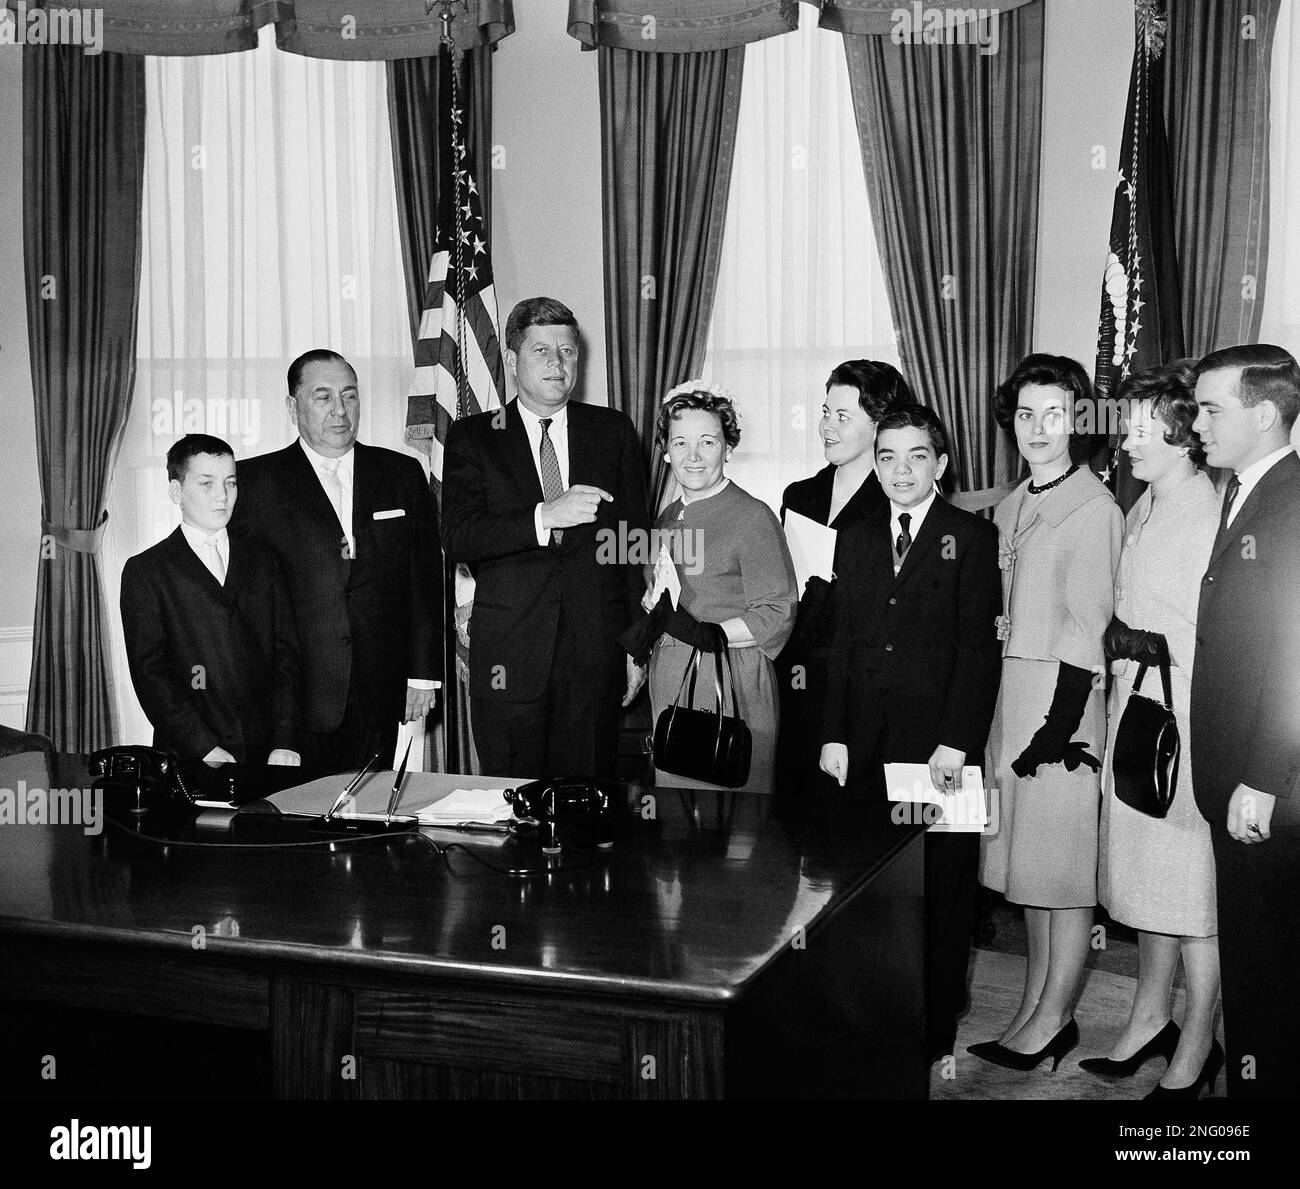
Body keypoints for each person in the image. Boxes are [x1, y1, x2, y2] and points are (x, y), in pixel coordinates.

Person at [819, 405, 1002, 1062]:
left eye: (916, 456)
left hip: (940, 751)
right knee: (874, 888)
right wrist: (834, 733)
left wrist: (956, 743)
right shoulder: (857, 537)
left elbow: (979, 652)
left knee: (944, 890)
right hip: (865, 745)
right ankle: (878, 1010)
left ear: (941, 464)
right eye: (888, 456)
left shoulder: (970, 539)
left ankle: (937, 1026)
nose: (901, 470)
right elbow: (840, 644)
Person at [971, 354, 1123, 1072]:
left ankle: (1056, 1016)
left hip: (1061, 711)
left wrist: (1054, 731)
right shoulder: (1011, 503)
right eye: (1025, 414)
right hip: (1013, 700)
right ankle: (1033, 1004)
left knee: (1061, 875)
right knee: (1027, 871)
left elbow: (1088, 626)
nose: (1037, 427)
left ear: (1080, 420)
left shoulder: (1096, 508)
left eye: (1054, 413)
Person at [441, 298, 649, 780]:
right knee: (514, 815)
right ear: (512, 361)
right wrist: (543, 516)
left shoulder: (612, 431)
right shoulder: (475, 437)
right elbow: (459, 536)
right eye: (541, 351)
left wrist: (636, 647)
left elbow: (632, 544)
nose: (558, 363)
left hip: (595, 662)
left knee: (587, 816)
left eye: (568, 351)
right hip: (509, 664)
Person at [1087, 364, 1222, 1099]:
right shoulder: (1145, 505)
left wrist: (1144, 643)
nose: (1128, 439)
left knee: (1193, 896)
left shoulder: (1207, 515)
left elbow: (1217, 639)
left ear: (1183, 435)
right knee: (1147, 883)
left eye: (1144, 428)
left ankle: (1199, 1040)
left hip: (1186, 728)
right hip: (1137, 713)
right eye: (1126, 424)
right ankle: (1148, 1016)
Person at [229, 350, 442, 775]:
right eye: (323, 397)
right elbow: (240, 595)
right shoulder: (253, 482)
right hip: (291, 694)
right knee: (296, 817)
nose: (340, 411)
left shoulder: (401, 473)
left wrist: (422, 674)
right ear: (293, 408)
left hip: (379, 685)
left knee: (365, 819)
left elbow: (424, 579)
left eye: (349, 395)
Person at [1188, 343, 1300, 1101]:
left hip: (1270, 786)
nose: (1195, 424)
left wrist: (1260, 777)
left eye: (1208, 408)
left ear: (1263, 413)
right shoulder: (1249, 491)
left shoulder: (1291, 501)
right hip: (1239, 777)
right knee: (1255, 963)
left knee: (1268, 969)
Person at [643, 383, 798, 796]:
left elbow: (777, 611)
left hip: (734, 676)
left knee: (736, 830)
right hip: (672, 678)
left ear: (728, 448)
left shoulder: (753, 516)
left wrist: (710, 634)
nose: (692, 456)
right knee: (677, 828)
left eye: (707, 442)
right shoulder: (665, 519)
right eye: (680, 442)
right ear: (665, 451)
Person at [776, 360, 917, 795]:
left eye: (842, 416)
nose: (826, 427)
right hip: (797, 680)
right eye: (824, 413)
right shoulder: (799, 495)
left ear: (879, 427)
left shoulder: (901, 503)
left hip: (864, 688)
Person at [121, 434, 301, 767]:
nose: (222, 496)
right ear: (176, 491)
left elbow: (287, 655)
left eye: (230, 483)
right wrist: (201, 745)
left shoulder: (264, 560)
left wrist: (284, 739)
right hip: (190, 756)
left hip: (270, 755)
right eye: (207, 484)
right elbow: (151, 673)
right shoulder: (146, 571)